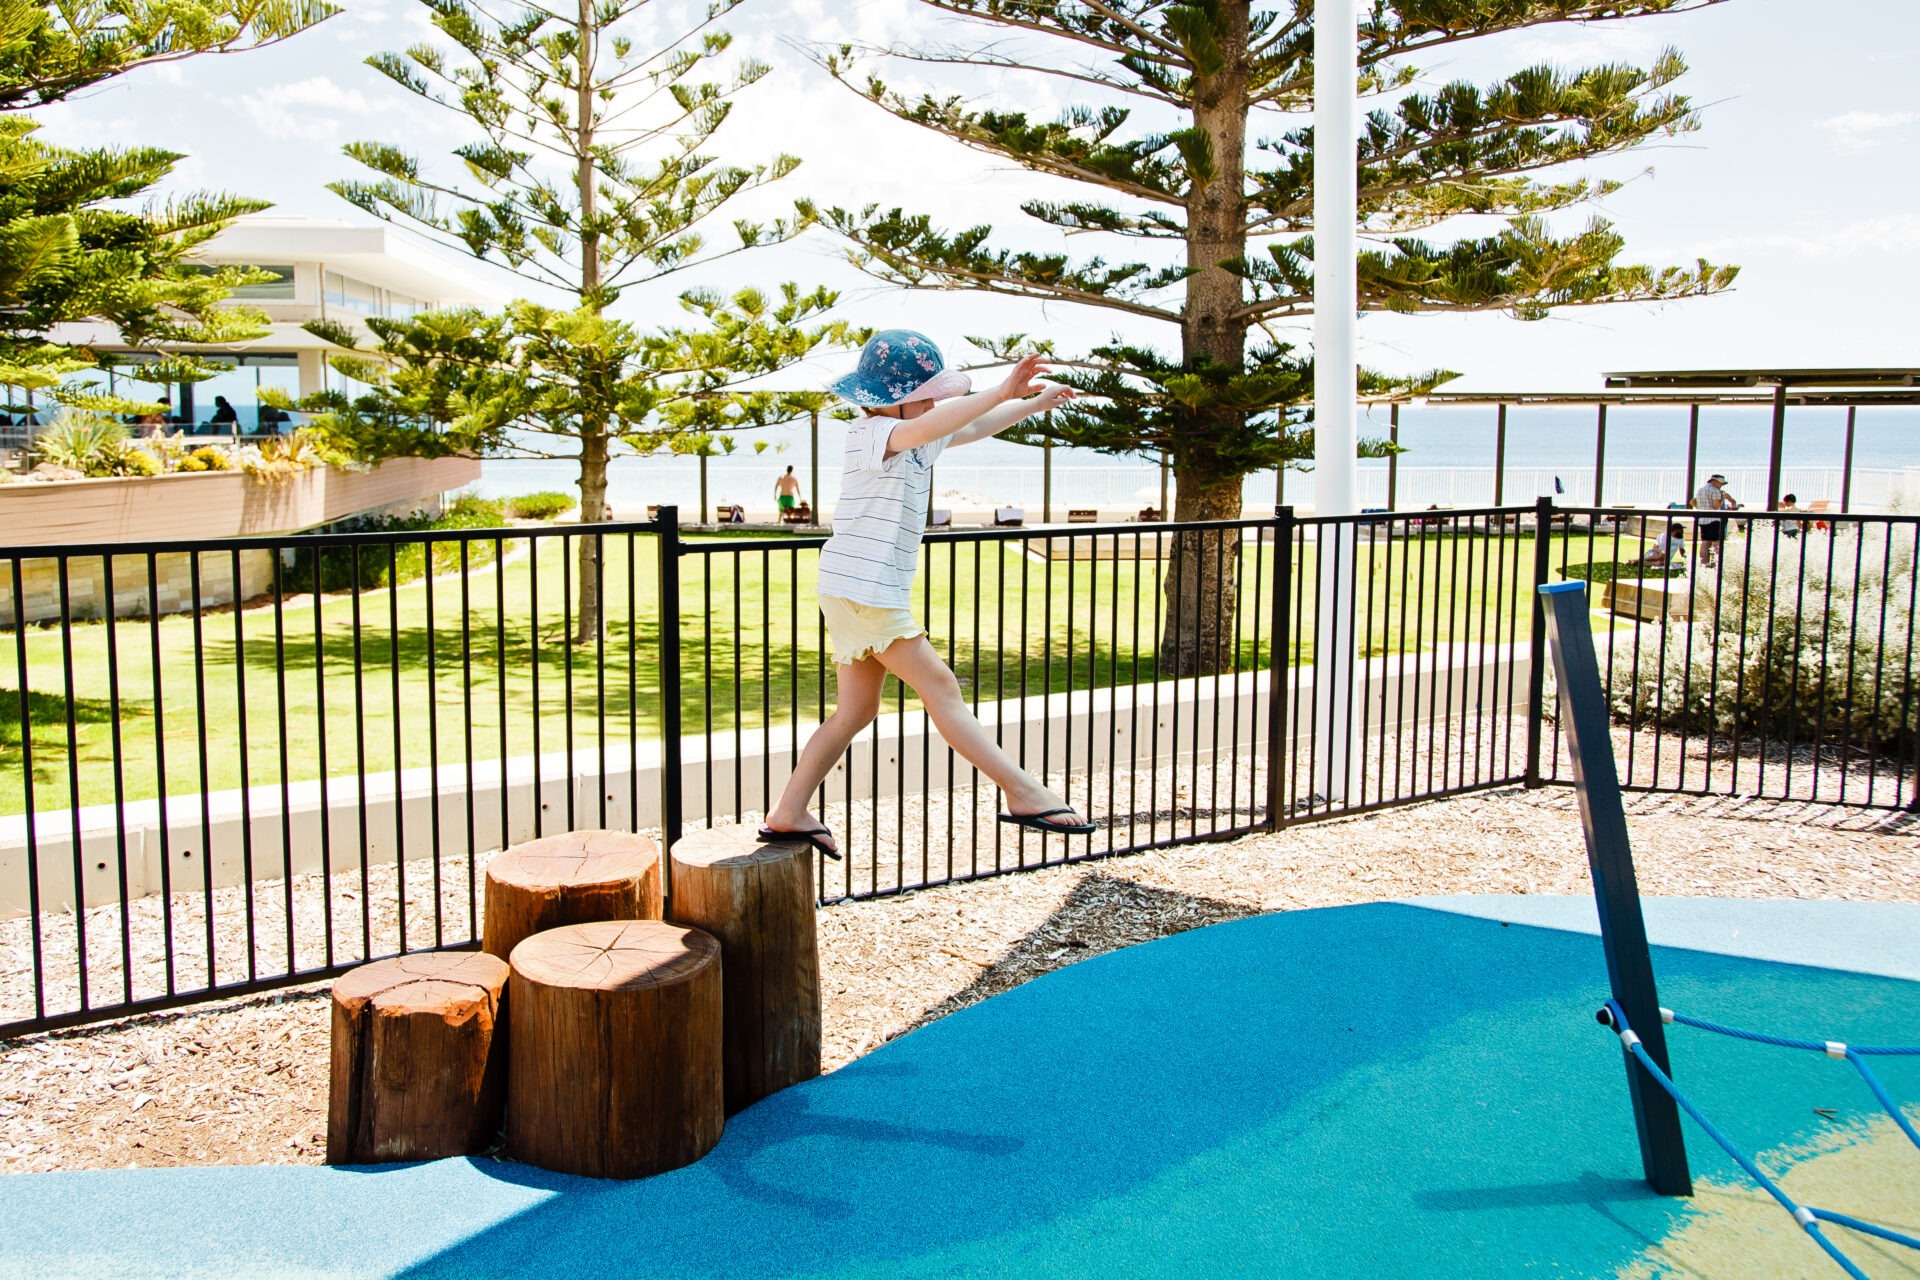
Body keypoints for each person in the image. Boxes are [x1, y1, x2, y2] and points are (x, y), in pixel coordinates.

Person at [758, 330, 1091, 856]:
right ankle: (1025, 792)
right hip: (866, 589)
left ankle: (788, 810)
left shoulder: (917, 434)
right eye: (924, 393)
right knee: (942, 688)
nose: (935, 402)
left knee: (855, 711)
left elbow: (971, 424)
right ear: (890, 397)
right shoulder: (869, 434)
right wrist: (1004, 389)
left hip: (857, 587)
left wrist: (1031, 403)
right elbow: (947, 419)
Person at [1692, 473, 1735, 567]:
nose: (1721, 485)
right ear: (1715, 482)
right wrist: (1722, 498)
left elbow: (1693, 502)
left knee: (1705, 542)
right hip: (1713, 519)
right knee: (1716, 543)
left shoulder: (1701, 490)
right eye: (1721, 483)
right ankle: (1717, 564)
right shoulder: (1715, 491)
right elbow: (1716, 506)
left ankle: (1703, 564)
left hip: (1702, 519)